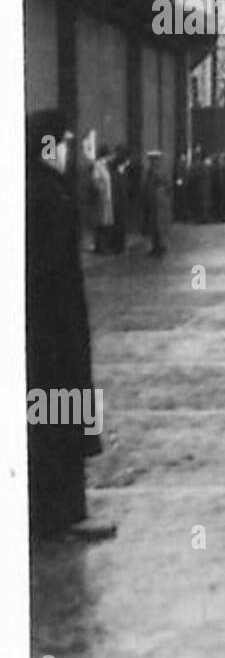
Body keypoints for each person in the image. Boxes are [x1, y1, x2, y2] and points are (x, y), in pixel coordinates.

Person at [26, 110, 114, 541]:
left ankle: (53, 512)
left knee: (53, 421)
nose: (67, 151)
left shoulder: (40, 188)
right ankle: (64, 514)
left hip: (51, 332)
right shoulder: (45, 194)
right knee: (61, 420)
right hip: (54, 334)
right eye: (61, 143)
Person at [141, 150, 172, 257]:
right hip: (154, 203)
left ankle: (160, 247)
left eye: (154, 160)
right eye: (151, 160)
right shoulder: (151, 171)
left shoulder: (159, 172)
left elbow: (167, 186)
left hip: (159, 203)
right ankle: (156, 247)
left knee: (160, 226)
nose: (152, 162)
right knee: (154, 226)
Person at [91, 144, 114, 254]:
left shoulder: (105, 166)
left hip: (107, 199)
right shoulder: (98, 165)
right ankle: (100, 247)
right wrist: (102, 190)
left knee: (105, 223)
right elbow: (95, 180)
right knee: (101, 223)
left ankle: (103, 246)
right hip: (101, 199)